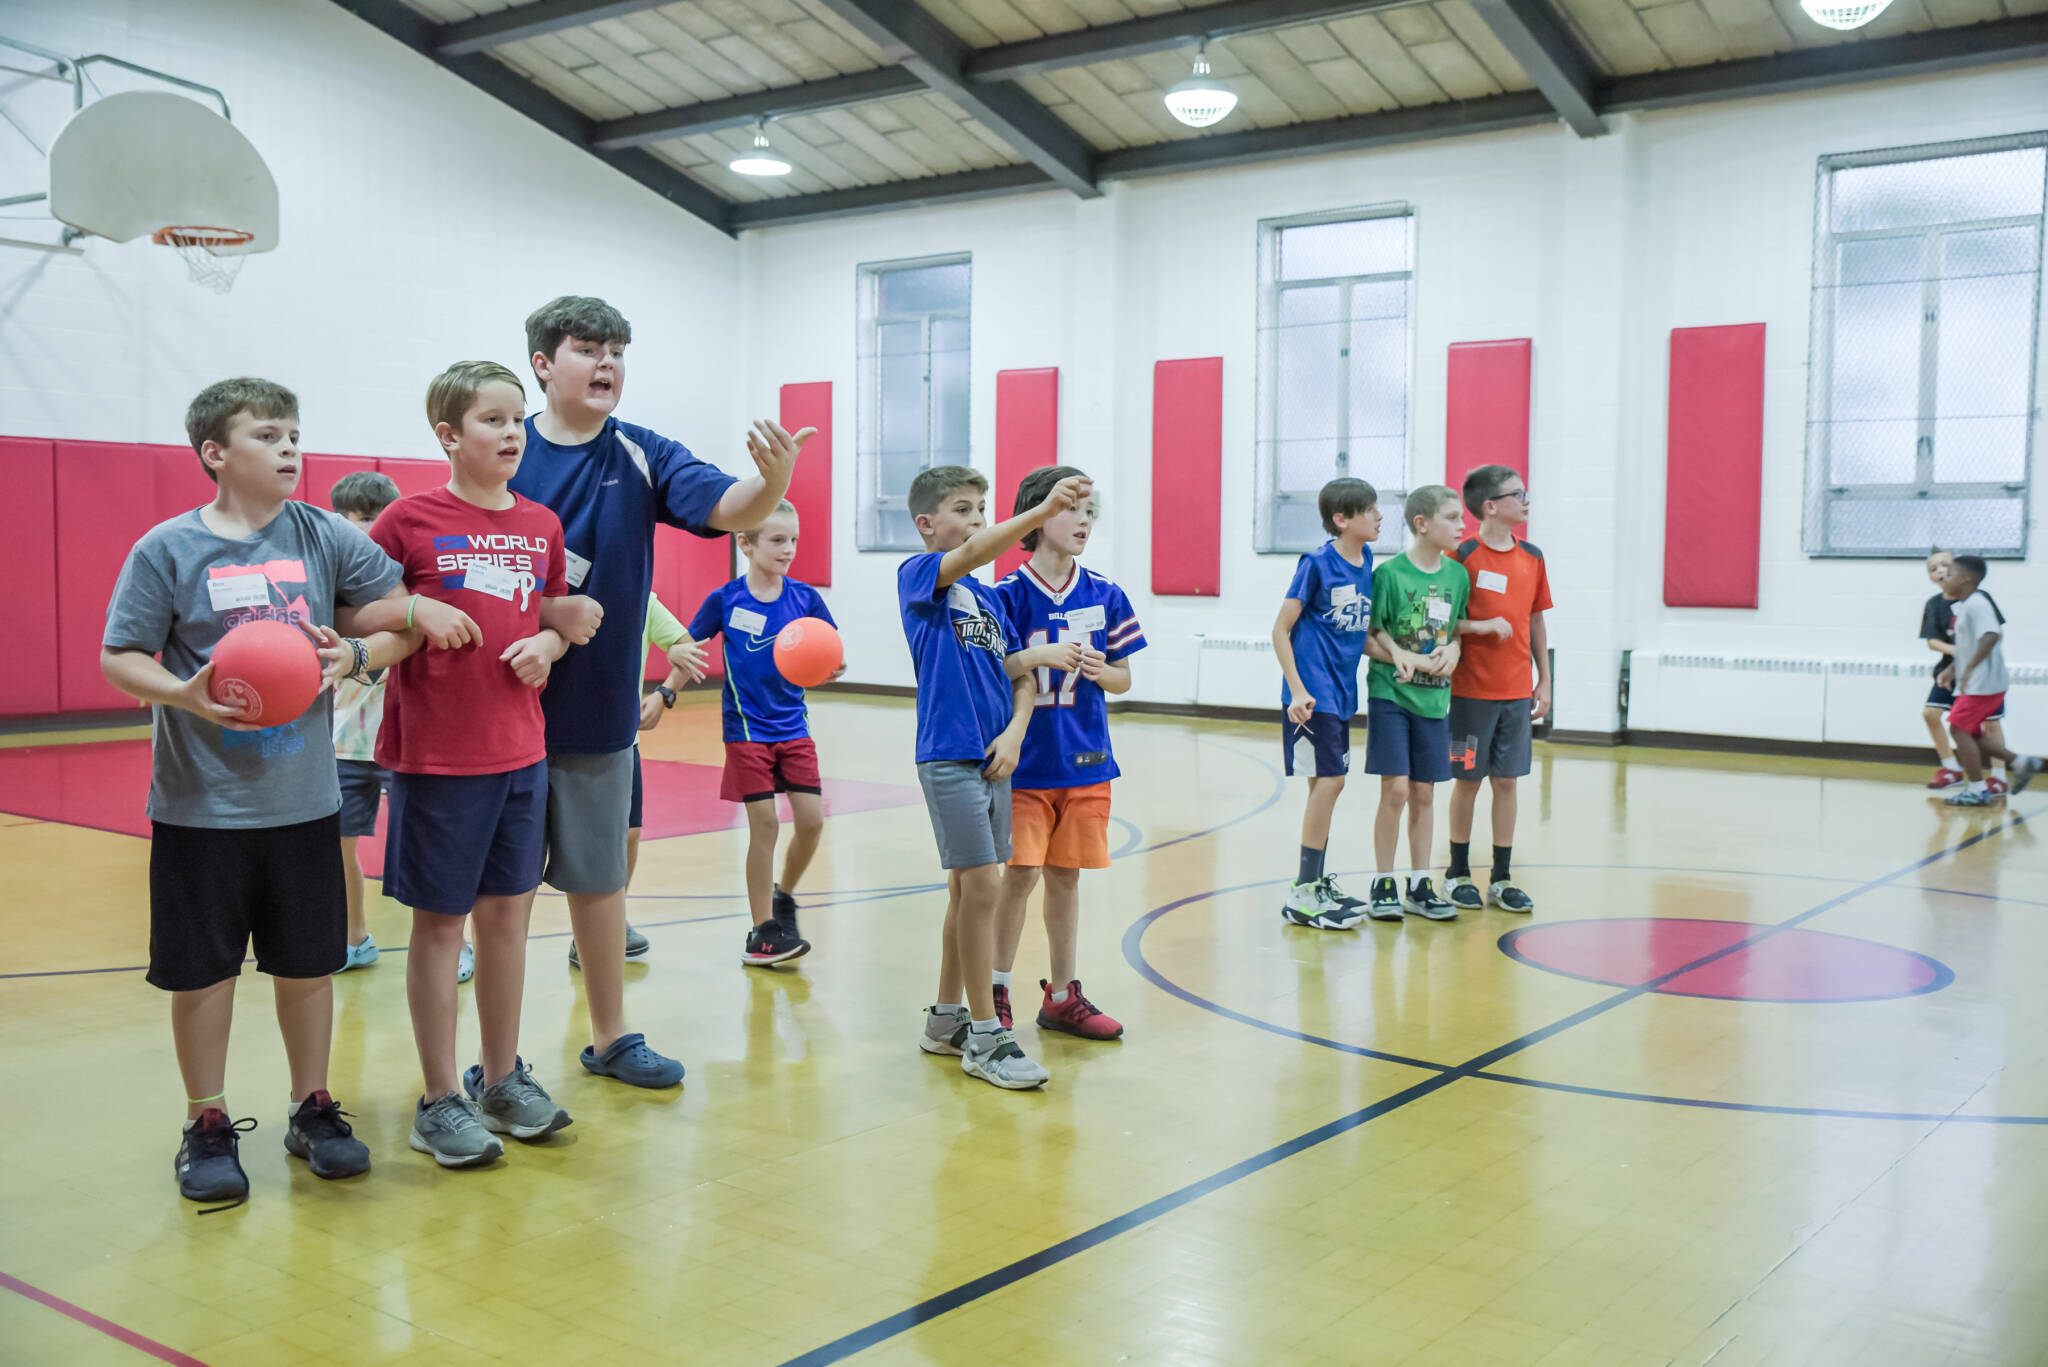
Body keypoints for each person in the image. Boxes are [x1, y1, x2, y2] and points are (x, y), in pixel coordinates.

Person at [100, 376, 417, 1207]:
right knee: (202, 973)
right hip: (200, 808)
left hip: (304, 802)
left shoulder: (322, 534)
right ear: (215, 452)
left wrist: (354, 655)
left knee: (307, 966)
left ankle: (311, 1107)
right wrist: (182, 693)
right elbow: (119, 655)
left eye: (294, 435)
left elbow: (401, 614)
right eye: (268, 435)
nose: (289, 449)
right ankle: (206, 1121)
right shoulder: (167, 548)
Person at [506, 296, 810, 1089]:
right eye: (587, 348)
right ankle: (498, 1064)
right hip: (500, 718)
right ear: (543, 364)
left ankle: (611, 1037)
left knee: (601, 883)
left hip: (597, 717)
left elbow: (729, 506)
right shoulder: (505, 450)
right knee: (501, 896)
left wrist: (773, 479)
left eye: (616, 350)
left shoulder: (643, 453)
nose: (606, 362)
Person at [366, 360, 603, 1164]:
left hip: (521, 753)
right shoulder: (406, 520)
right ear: (448, 435)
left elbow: (546, 612)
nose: (511, 434)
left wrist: (549, 642)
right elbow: (355, 607)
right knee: (441, 926)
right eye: (492, 420)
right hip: (437, 759)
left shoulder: (541, 524)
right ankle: (439, 1098)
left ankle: (500, 1077)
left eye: (516, 419)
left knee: (507, 919)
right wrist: (413, 606)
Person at [902, 464, 1089, 1089]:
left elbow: (1019, 676)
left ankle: (945, 1019)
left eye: (982, 509)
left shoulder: (987, 601)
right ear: (926, 523)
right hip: (948, 755)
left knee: (968, 891)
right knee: (983, 883)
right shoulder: (919, 575)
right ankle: (986, 1034)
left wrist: (1013, 734)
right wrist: (1040, 514)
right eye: (963, 510)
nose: (977, 521)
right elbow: (977, 553)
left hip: (995, 758)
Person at [991, 465, 1144, 1038]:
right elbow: (996, 669)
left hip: (1086, 762)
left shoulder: (1106, 593)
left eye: (1089, 512)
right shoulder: (1005, 595)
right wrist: (1038, 656)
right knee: (1019, 876)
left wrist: (1105, 671)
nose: (1084, 521)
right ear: (1037, 516)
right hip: (1025, 765)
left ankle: (1061, 995)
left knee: (1065, 878)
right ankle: (994, 989)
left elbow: (1124, 678)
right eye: (1071, 509)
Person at [676, 499, 841, 967]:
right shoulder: (726, 599)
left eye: (794, 540)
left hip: (794, 727)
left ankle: (783, 894)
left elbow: (826, 648)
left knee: (811, 821)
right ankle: (762, 930)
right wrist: (666, 689)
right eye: (777, 540)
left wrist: (830, 665)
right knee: (764, 824)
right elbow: (690, 647)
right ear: (745, 544)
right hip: (746, 729)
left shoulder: (805, 599)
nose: (788, 549)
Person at [1271, 478, 1380, 930]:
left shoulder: (1367, 560)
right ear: (1342, 519)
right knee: (1330, 783)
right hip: (1314, 694)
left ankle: (1314, 885)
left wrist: (1403, 657)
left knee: (1326, 785)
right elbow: (1280, 630)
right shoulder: (1316, 563)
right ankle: (1303, 891)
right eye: (1370, 510)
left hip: (1342, 692)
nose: (1379, 516)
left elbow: (1361, 633)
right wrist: (1297, 690)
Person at [1443, 465, 1550, 914]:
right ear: (1490, 506)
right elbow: (1444, 618)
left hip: (1516, 694)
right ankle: (1457, 873)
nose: (1526, 501)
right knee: (1467, 780)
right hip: (1470, 694)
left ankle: (1502, 878)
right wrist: (1481, 627)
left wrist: (1544, 679)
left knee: (1507, 781)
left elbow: (1536, 619)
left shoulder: (1533, 557)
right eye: (1517, 494)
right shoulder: (1461, 556)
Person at [1365, 485, 1469, 921]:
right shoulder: (1389, 575)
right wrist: (1400, 656)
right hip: (1391, 694)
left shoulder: (1457, 576)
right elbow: (1370, 635)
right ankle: (1383, 881)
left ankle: (1421, 882)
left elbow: (1456, 629)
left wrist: (1456, 649)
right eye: (1452, 517)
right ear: (1422, 524)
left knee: (1424, 792)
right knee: (1396, 790)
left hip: (1434, 699)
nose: (1462, 526)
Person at [1935, 555, 2041, 807]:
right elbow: (1970, 646)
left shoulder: (1977, 604)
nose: (1944, 579)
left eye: (1949, 575)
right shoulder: (1966, 606)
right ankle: (2021, 763)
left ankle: (1976, 790)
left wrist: (1970, 669)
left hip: (1982, 685)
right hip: (1979, 683)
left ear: (1965, 579)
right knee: (1971, 733)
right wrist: (1953, 668)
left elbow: (1992, 635)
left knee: (1958, 729)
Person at [1920, 550, 2007, 793]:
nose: (1940, 571)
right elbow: (1932, 641)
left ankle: (1998, 776)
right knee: (1932, 714)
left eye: (1945, 566)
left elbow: (1994, 634)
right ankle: (1951, 768)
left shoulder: (1979, 600)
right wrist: (1958, 654)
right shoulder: (1935, 604)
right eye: (1933, 569)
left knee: (1989, 723)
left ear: (1961, 574)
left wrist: (1968, 659)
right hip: (1952, 670)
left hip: (1980, 674)